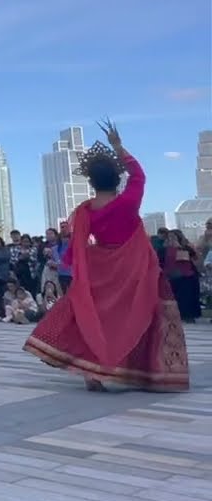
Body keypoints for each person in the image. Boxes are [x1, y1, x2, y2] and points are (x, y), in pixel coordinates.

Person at [24, 122, 189, 392]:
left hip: (99, 266)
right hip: (134, 266)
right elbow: (139, 175)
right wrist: (118, 146)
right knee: (143, 312)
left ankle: (92, 371)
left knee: (94, 318)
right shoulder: (128, 201)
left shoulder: (87, 210)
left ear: (90, 181)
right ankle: (144, 371)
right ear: (117, 177)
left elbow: (79, 242)